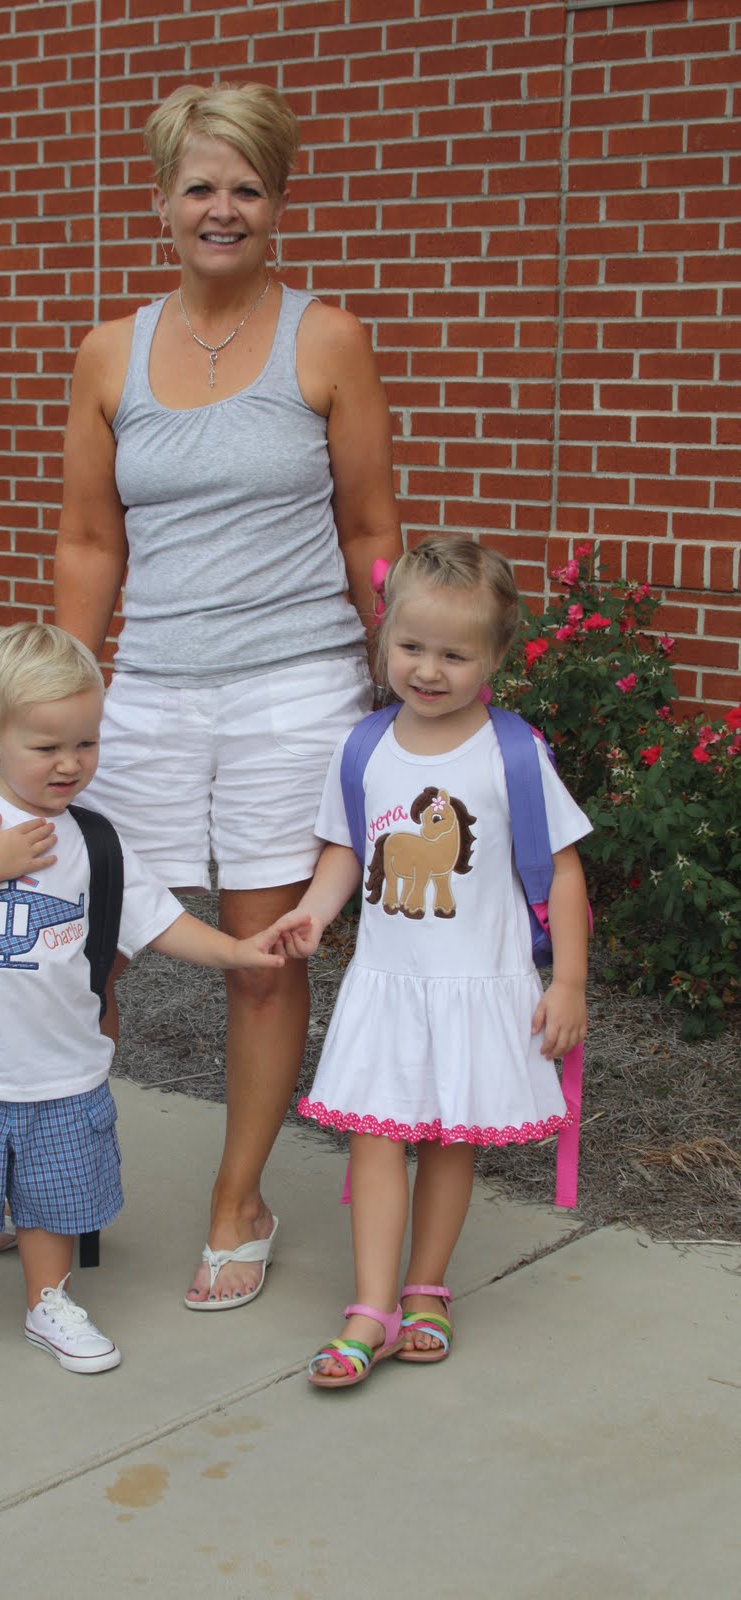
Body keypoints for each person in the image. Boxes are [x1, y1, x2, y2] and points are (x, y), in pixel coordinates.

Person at [54, 81, 402, 1310]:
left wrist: (399, 689)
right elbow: (92, 543)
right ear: (159, 204)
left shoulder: (327, 339)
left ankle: (235, 1197)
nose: (221, 208)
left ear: (277, 203)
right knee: (78, 939)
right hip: (145, 689)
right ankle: (46, 1176)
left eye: (246, 186)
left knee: (264, 954)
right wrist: (68, 689)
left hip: (292, 690)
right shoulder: (109, 351)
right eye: (199, 185)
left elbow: (368, 528)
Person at [0, 623, 307, 1379]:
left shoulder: (95, 842)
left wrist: (235, 952)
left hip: (62, 1072)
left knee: (53, 1203)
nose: (68, 764)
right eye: (46, 746)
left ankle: (47, 1303)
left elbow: (160, 921)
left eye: (85, 745)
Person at [271, 536, 592, 1387]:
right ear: (383, 638)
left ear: (495, 657)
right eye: (411, 647)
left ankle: (425, 1291)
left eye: (456, 654)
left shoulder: (511, 753)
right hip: (387, 988)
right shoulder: (365, 748)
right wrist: (311, 912)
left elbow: (562, 871)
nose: (429, 670)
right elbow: (346, 850)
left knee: (451, 1143)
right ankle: (368, 1309)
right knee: (375, 1139)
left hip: (476, 987)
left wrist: (567, 981)